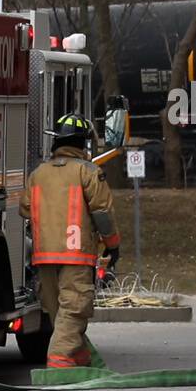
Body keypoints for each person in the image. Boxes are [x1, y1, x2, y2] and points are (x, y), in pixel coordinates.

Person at [20, 113, 121, 368]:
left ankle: (81, 358)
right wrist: (113, 245)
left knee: (59, 312)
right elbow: (102, 213)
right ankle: (60, 362)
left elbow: (24, 208)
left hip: (44, 256)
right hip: (76, 255)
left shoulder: (38, 174)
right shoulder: (88, 172)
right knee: (74, 308)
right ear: (83, 143)